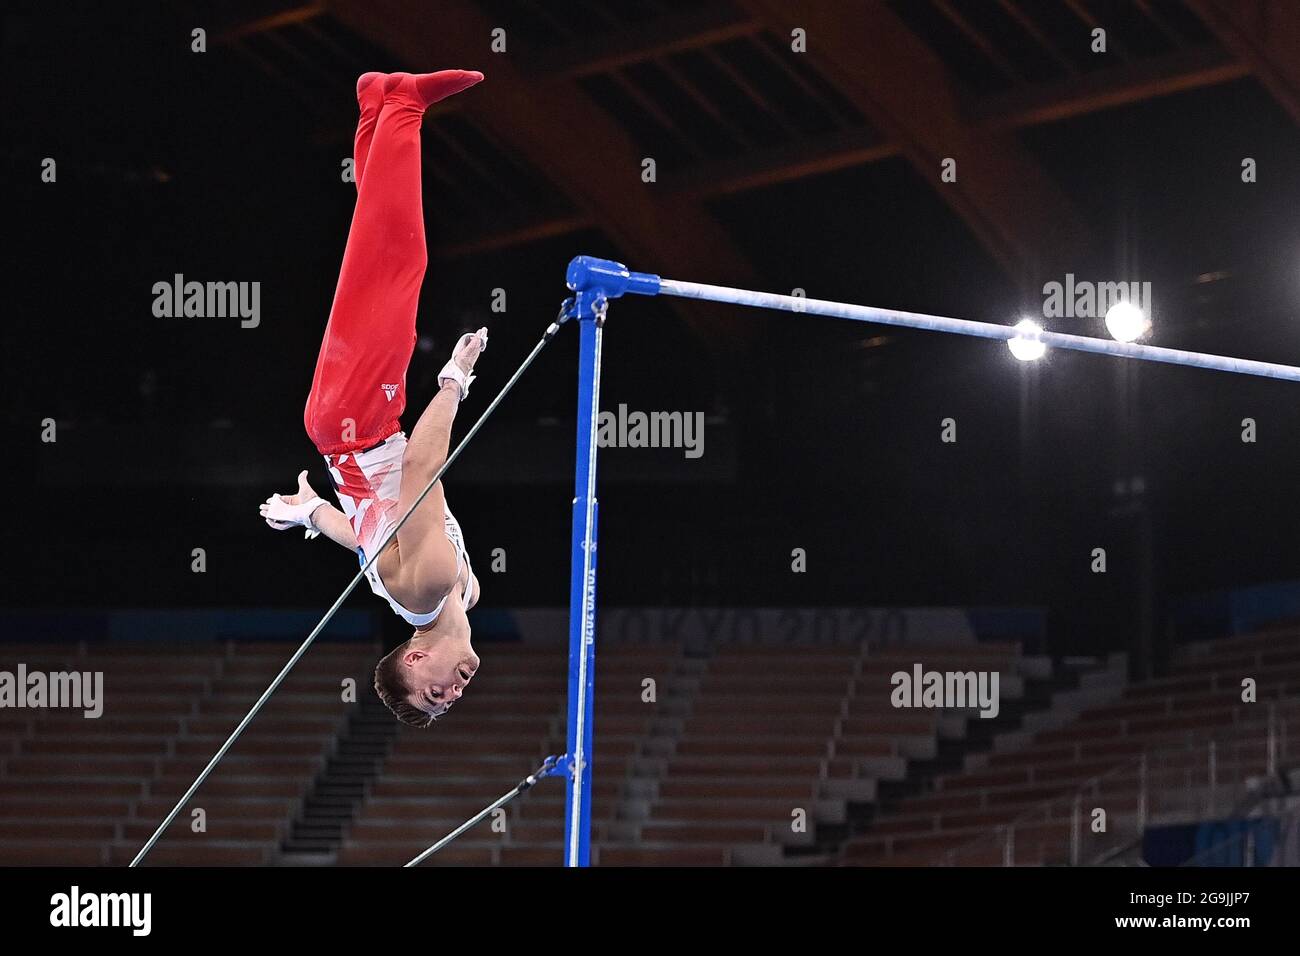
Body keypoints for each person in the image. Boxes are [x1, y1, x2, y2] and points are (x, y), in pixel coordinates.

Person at [259, 70, 486, 727]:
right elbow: (360, 542)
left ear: (414, 661)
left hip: (358, 421)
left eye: (436, 693)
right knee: (379, 256)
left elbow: (420, 468)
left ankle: (405, 105)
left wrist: (455, 378)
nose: (454, 692)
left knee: (395, 259)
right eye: (450, 704)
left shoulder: (433, 582)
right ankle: (375, 106)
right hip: (344, 427)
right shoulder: (457, 591)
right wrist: (310, 514)